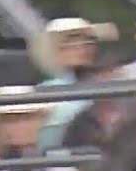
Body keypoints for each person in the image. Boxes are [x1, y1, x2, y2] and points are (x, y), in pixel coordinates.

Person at [32, 17, 119, 150]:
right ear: (56, 50)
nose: (82, 48)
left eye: (87, 42)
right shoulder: (45, 92)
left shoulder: (106, 80)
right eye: (71, 43)